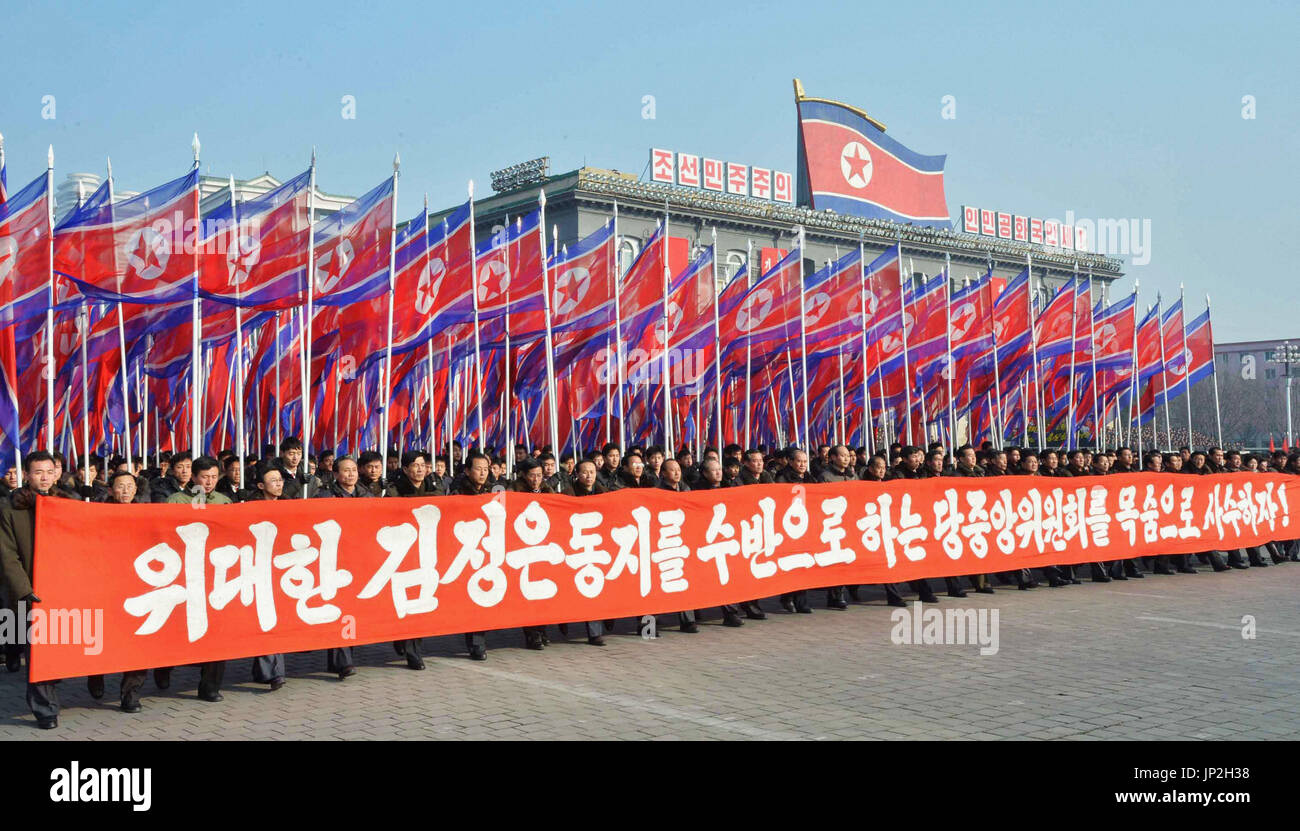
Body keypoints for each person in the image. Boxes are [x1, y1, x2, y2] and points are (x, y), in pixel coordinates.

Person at [0, 452, 79, 727]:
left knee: (60, 646)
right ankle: (45, 709)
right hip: (31, 591)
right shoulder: (10, 508)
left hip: (64, 587)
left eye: (49, 471)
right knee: (38, 652)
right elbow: (7, 555)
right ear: (27, 475)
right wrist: (24, 590)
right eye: (38, 472)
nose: (44, 477)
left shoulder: (70, 502)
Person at [315, 455, 369, 678]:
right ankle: (343, 661)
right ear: (335, 474)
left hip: (359, 559)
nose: (351, 474)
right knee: (339, 609)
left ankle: (338, 659)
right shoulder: (325, 496)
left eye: (354, 470)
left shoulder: (367, 495)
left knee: (352, 609)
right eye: (346, 471)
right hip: (334, 559)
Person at [240, 465, 289, 690]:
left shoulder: (290, 505)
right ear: (261, 485)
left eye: (280, 479)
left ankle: (265, 670)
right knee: (266, 620)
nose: (278, 484)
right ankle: (272, 672)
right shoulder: (250, 507)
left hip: (284, 568)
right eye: (273, 480)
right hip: (258, 569)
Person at [456, 452, 492, 660]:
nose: (482, 473)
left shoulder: (494, 490)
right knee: (473, 599)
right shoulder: (458, 492)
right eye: (478, 469)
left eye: (486, 469)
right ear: (468, 471)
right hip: (467, 552)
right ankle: (476, 643)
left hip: (489, 549)